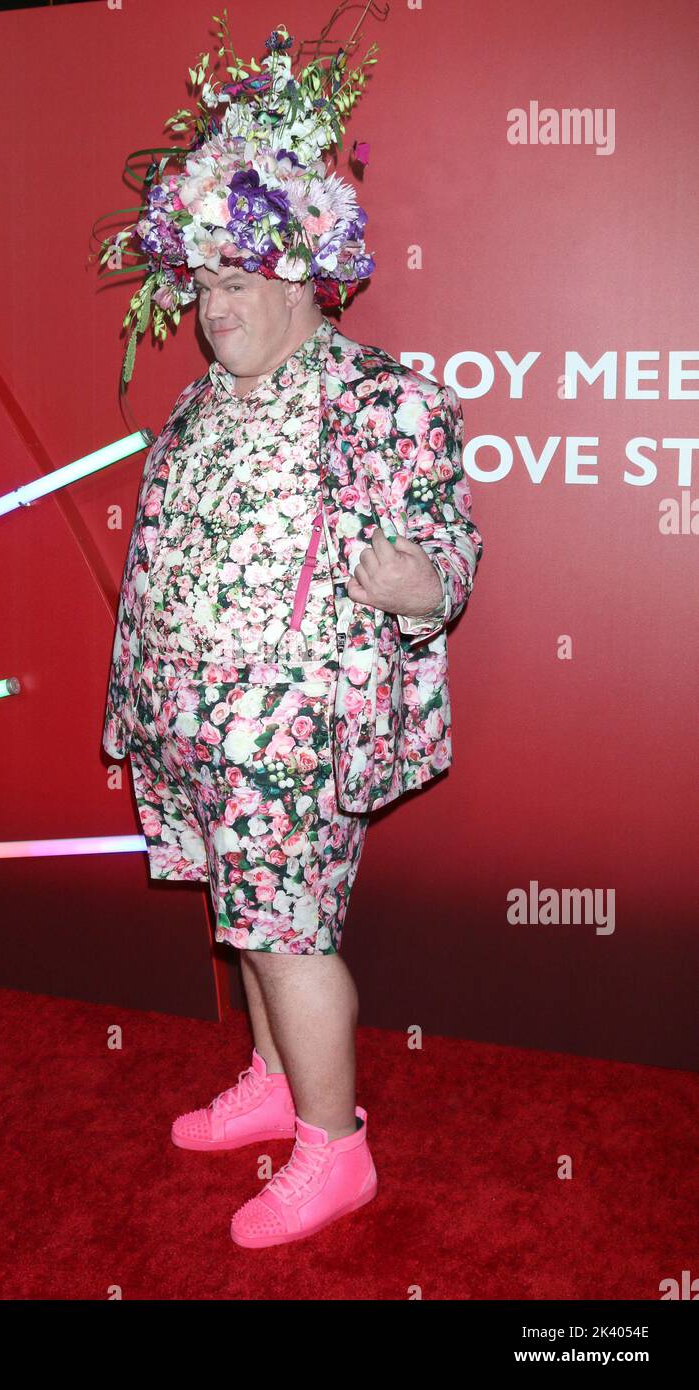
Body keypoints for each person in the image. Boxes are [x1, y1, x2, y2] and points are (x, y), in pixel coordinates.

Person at [98, 18, 483, 1248]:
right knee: (244, 918)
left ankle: (336, 1148)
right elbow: (158, 558)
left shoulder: (382, 398)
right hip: (194, 726)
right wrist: (140, 711)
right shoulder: (198, 407)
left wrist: (415, 580)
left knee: (291, 933)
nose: (219, 308)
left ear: (305, 273)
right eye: (206, 283)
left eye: (244, 280)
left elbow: (449, 552)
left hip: (295, 733)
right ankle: (273, 1084)